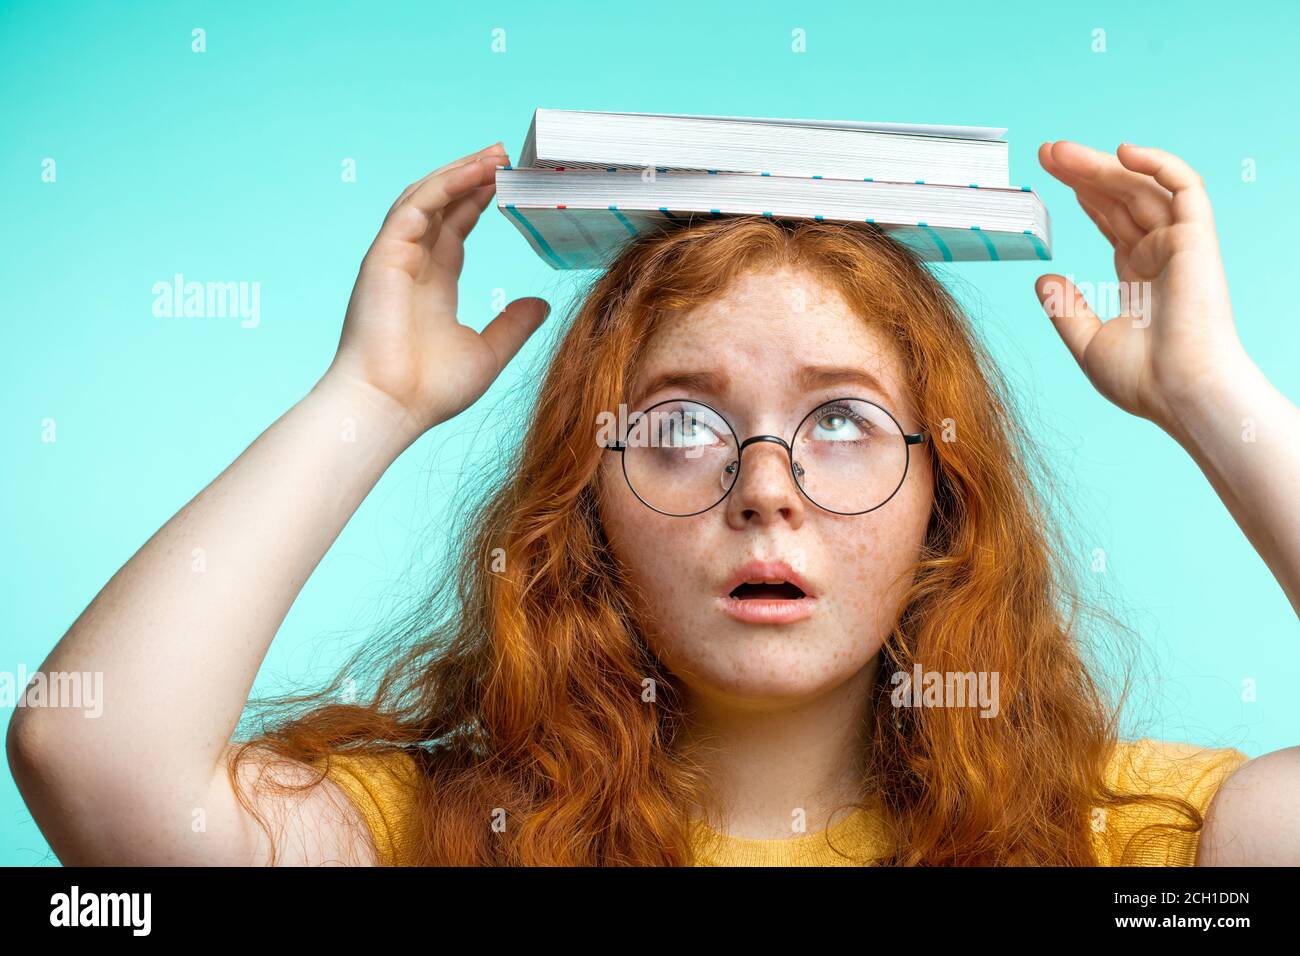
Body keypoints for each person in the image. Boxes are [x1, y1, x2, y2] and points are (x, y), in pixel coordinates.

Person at [8, 140, 1298, 866]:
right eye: (683, 427)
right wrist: (370, 398)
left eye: (840, 422)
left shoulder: (1126, 850)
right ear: (589, 503)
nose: (767, 489)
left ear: (942, 510)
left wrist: (1213, 396)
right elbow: (93, 760)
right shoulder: (438, 842)